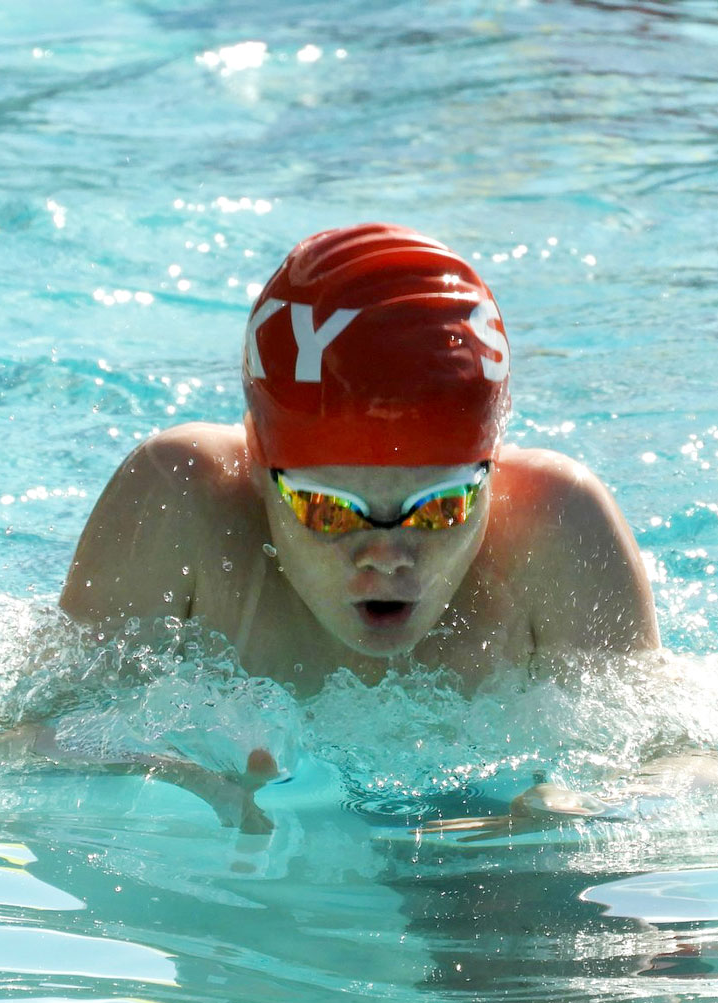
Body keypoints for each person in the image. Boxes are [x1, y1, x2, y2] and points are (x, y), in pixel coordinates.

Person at [54, 222, 662, 832]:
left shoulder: (555, 524)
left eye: (439, 507)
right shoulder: (181, 501)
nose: (387, 553)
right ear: (258, 460)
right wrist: (156, 778)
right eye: (330, 509)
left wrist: (593, 810)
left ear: (492, 466)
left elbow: (685, 761)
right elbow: (22, 734)